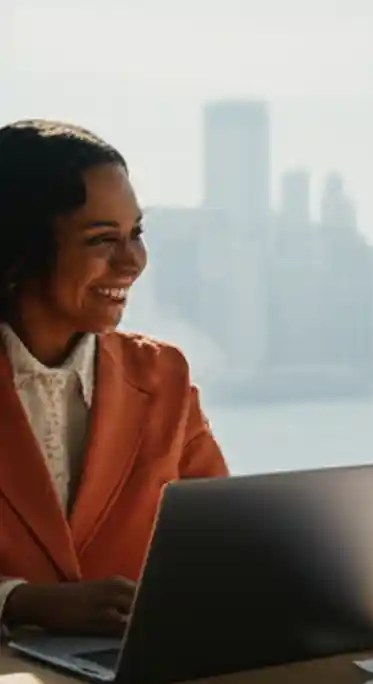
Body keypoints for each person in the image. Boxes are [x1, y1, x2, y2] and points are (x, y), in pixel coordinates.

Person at [0, 120, 228, 635]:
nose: (133, 262)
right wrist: (21, 603)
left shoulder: (164, 376)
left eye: (136, 234)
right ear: (20, 248)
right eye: (104, 239)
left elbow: (222, 545)